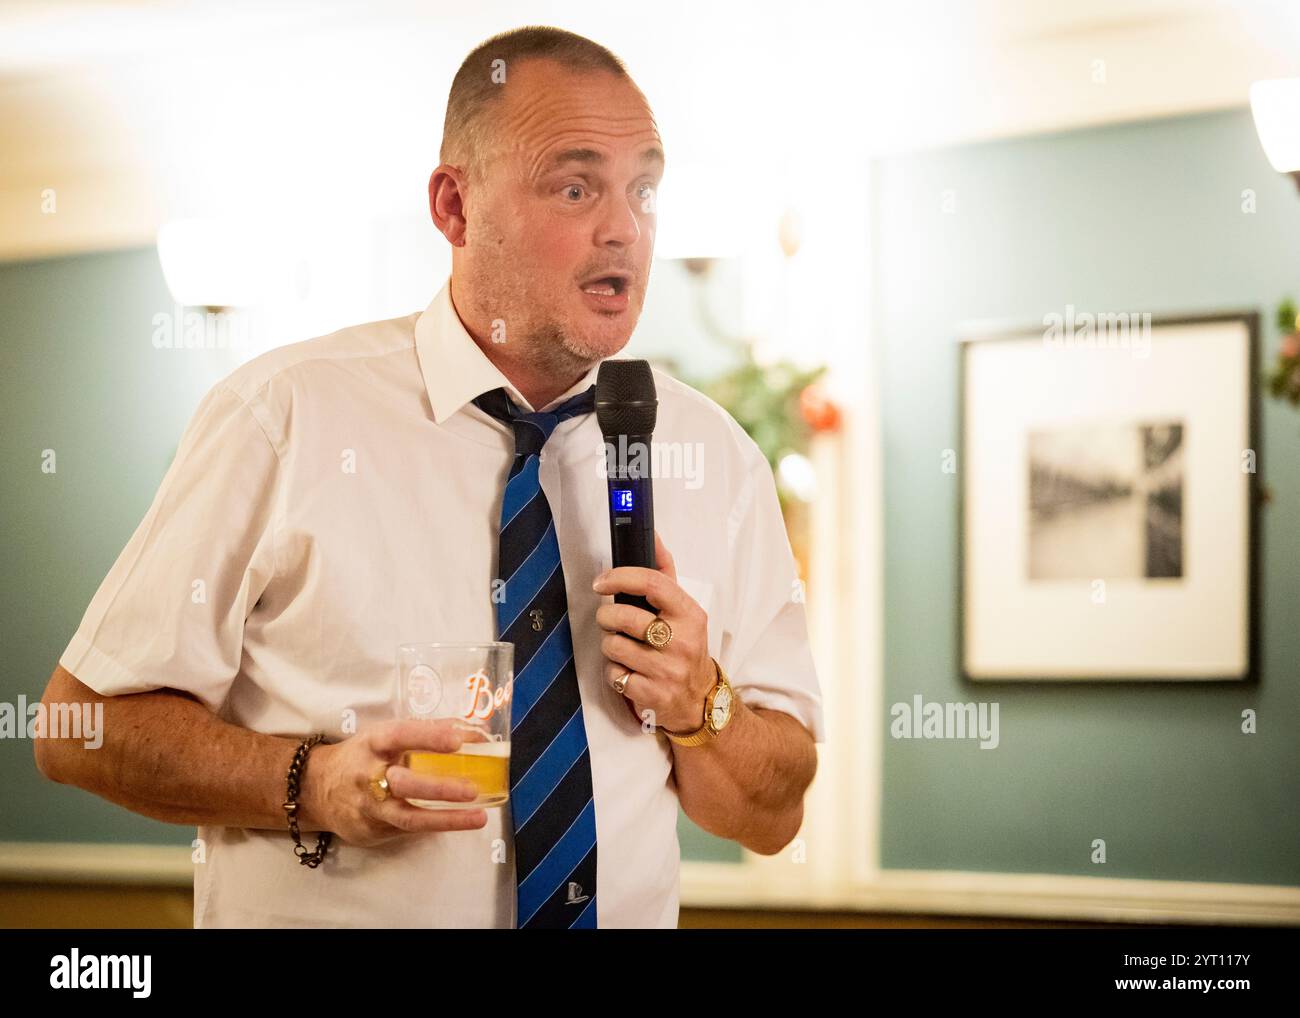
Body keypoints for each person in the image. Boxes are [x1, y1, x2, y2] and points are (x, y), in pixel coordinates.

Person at [35, 25, 824, 929]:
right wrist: (313, 782)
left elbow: (773, 815)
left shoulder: (716, 457)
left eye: (643, 187)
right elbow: (75, 729)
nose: (624, 228)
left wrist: (702, 706)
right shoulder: (283, 416)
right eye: (576, 186)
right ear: (453, 207)